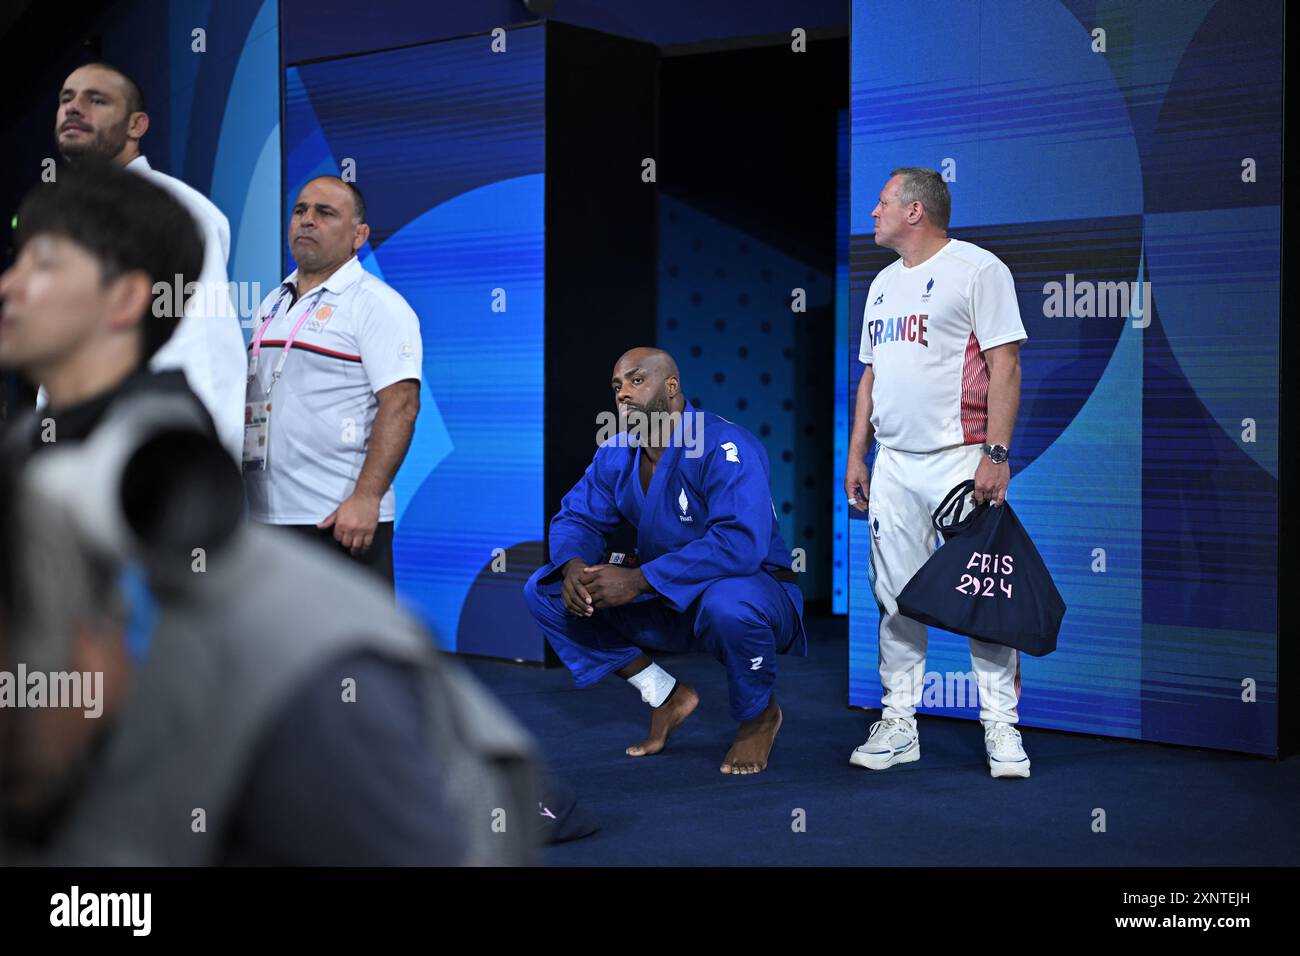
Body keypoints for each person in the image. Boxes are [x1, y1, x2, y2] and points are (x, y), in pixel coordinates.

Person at [523, 348, 806, 776]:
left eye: (637, 381)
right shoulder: (616, 453)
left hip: (752, 590)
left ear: (671, 387)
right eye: (617, 386)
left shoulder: (724, 445)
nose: (623, 394)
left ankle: (759, 716)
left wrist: (637, 580)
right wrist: (574, 568)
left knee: (728, 602)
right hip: (670, 595)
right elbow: (576, 517)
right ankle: (664, 694)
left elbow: (739, 545)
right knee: (546, 591)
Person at [844, 167, 1031, 778]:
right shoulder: (880, 284)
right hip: (895, 464)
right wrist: (857, 453)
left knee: (984, 597)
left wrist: (996, 455)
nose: (874, 213)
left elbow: (1005, 364)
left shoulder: (979, 270)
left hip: (961, 458)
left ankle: (1002, 727)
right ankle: (899, 723)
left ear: (916, 211)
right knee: (894, 598)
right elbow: (871, 375)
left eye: (882, 203)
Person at [53, 61, 246, 460]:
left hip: (148, 470)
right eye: (66, 98)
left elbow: (206, 354)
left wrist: (197, 476)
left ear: (136, 125)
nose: (74, 108)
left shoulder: (175, 213)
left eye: (96, 100)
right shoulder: (68, 216)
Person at [243, 176, 421, 588]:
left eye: (325, 213)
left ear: (359, 235)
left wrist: (367, 499)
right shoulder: (272, 302)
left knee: (344, 650)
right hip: (266, 516)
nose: (307, 221)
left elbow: (402, 406)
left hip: (336, 519)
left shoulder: (377, 306)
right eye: (300, 210)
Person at [0, 160, 212, 458]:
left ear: (126, 298)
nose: (7, 286)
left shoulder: (161, 466)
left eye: (43, 263)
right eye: (18, 261)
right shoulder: (30, 440)